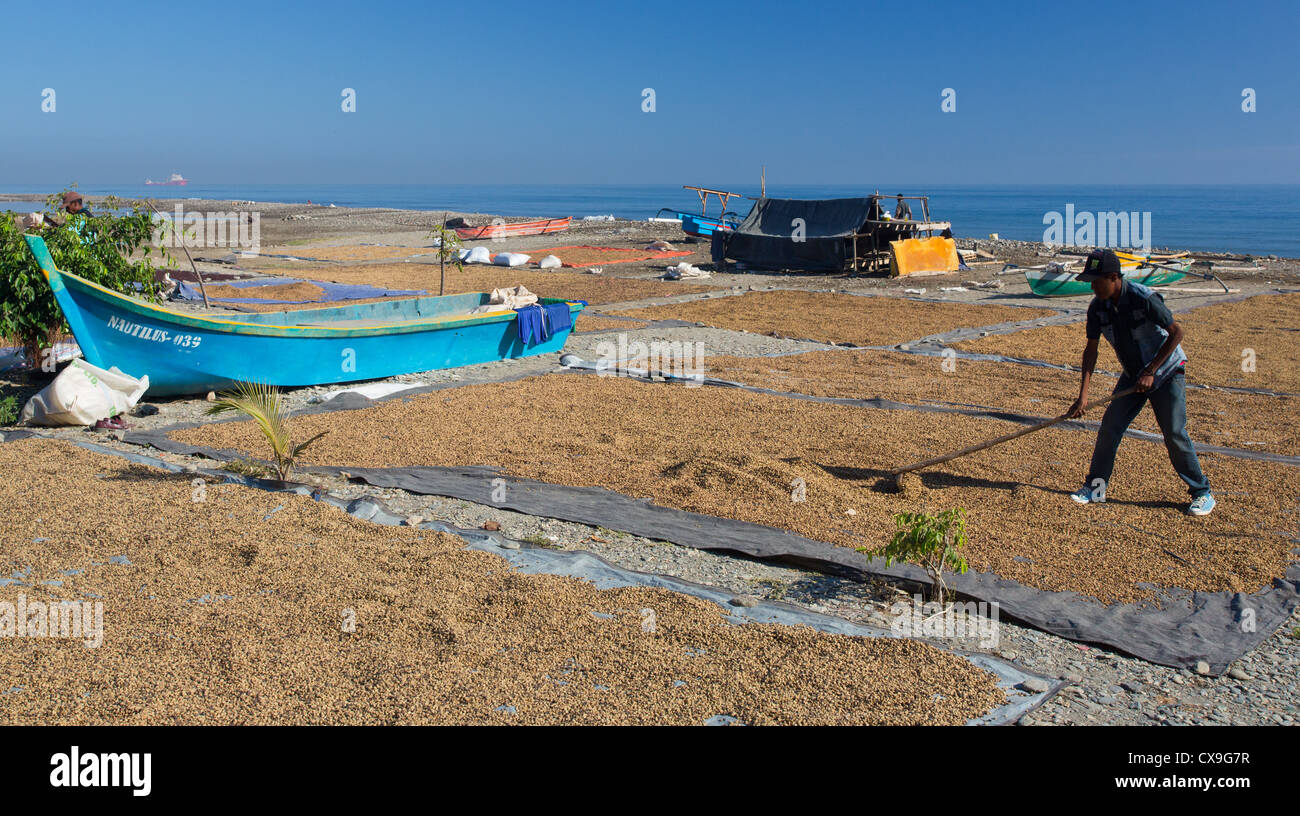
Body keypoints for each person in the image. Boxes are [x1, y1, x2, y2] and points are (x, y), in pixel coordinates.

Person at [1065, 249, 1214, 515]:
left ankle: (1202, 492)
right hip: (1134, 374)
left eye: (1096, 281)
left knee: (1174, 433)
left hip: (1167, 372)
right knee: (1110, 427)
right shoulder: (1097, 308)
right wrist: (1083, 396)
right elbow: (1091, 351)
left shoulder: (1143, 298)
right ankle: (1096, 488)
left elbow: (1177, 333)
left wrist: (1152, 370)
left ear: (1113, 277)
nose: (1093, 286)